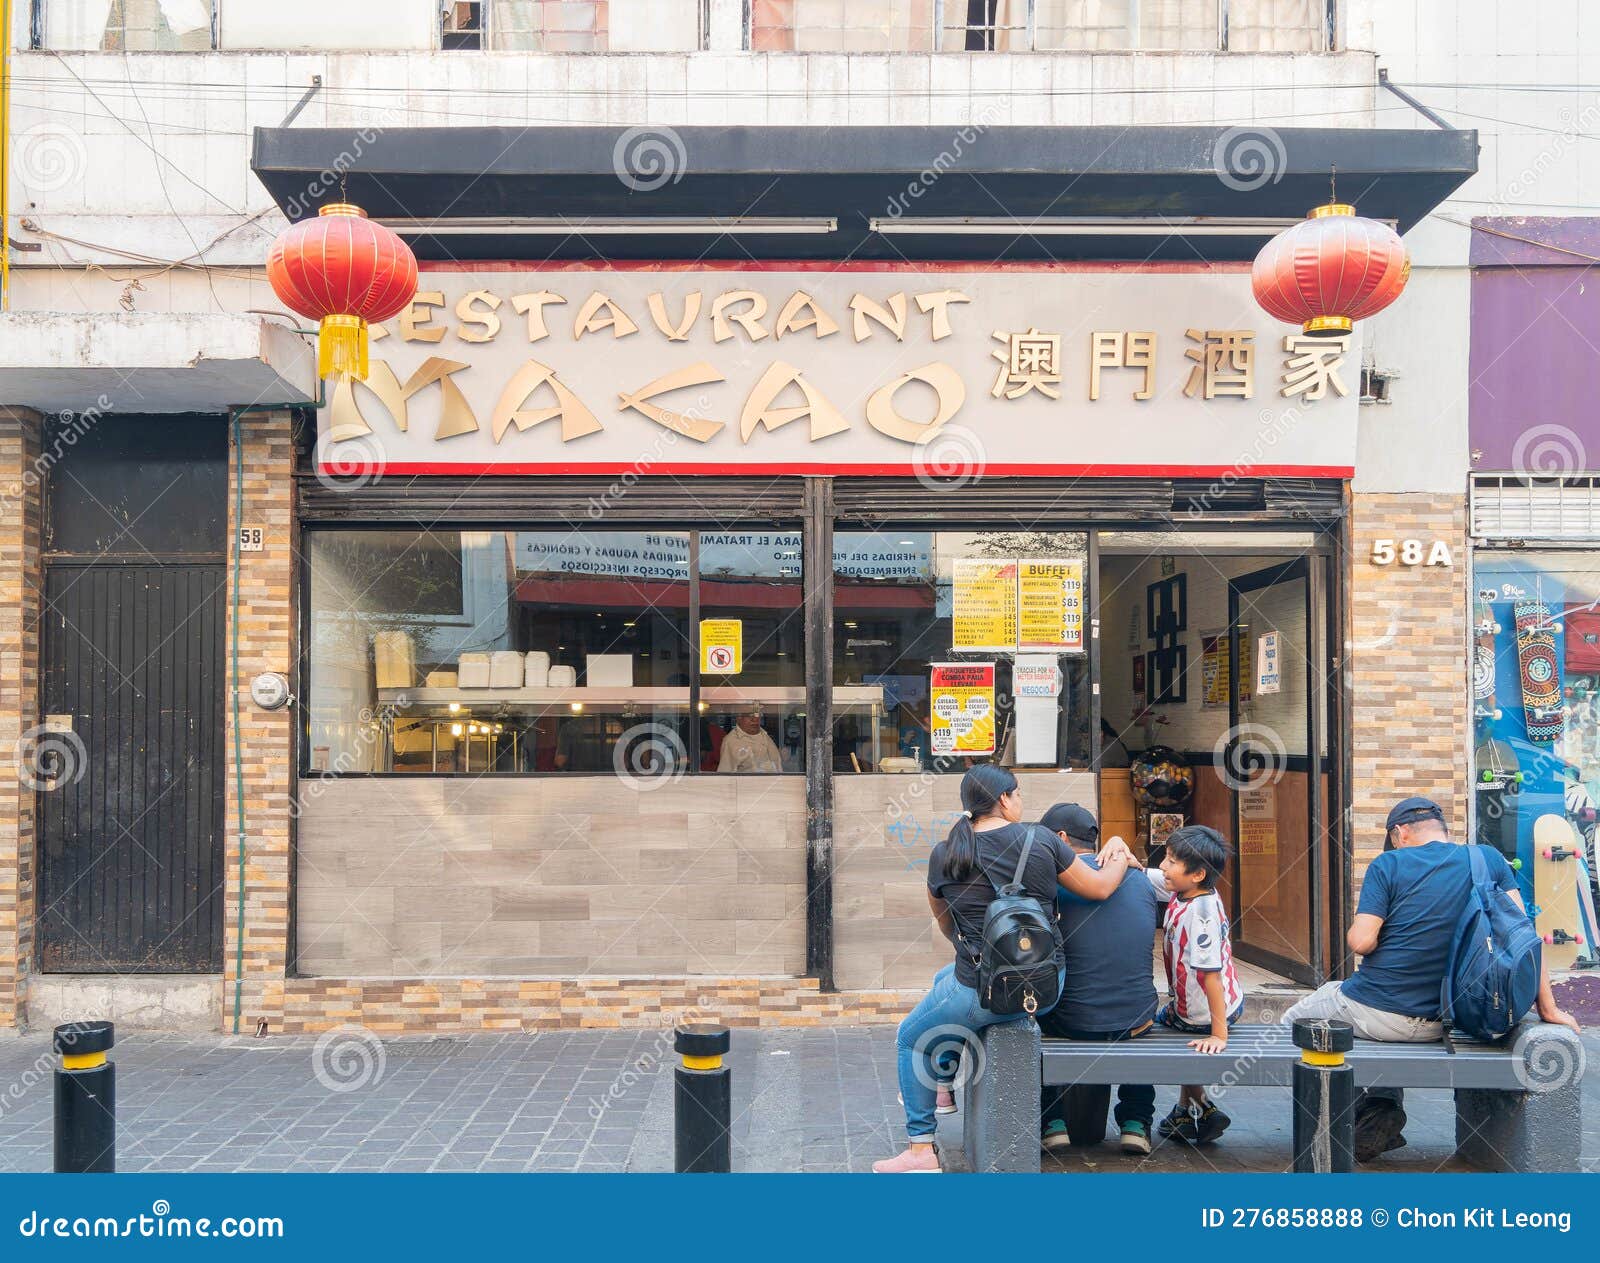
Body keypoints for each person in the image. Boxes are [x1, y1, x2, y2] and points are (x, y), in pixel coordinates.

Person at [873, 763, 1139, 1173]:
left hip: (981, 990)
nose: (1021, 801)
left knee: (911, 1037)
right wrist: (1119, 852)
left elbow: (946, 924)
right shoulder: (1042, 839)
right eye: (1018, 794)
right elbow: (1101, 887)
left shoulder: (945, 853)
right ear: (1003, 799)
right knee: (940, 985)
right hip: (1045, 986)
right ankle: (941, 1087)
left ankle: (922, 1147)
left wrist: (979, 956)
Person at [1284, 796, 1580, 1161]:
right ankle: (1380, 1104)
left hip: (1377, 1009)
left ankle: (1346, 1120)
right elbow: (1523, 939)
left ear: (1401, 832)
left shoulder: (1388, 865)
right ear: (1442, 830)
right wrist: (1548, 1008)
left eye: (1394, 840)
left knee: (1298, 1020)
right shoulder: (1487, 859)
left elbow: (1362, 942)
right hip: (1452, 1018)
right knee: (1366, 1028)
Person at [1036, 802, 1162, 1156]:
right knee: (1134, 1009)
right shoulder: (1140, 878)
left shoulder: (1053, 882)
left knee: (1028, 1016)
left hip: (1072, 1022)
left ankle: (1051, 1121)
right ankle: (1136, 1121)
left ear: (1061, 839)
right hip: (1136, 1021)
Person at [1150, 825, 1244, 1145]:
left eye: (1171, 861)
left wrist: (1218, 1035)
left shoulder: (1201, 915)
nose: (1163, 866)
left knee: (1150, 1026)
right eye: (1166, 857)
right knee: (1175, 1030)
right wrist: (1123, 853)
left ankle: (1200, 1107)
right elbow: (1148, 875)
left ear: (1197, 874)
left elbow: (1210, 977)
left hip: (1202, 1013)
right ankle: (1187, 1110)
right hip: (1214, 1003)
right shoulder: (1189, 889)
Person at [716, 708, 782, 773]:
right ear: (739, 718)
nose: (755, 719)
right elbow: (725, 773)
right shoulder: (731, 741)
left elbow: (777, 765)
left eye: (757, 714)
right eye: (749, 715)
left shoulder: (765, 736)